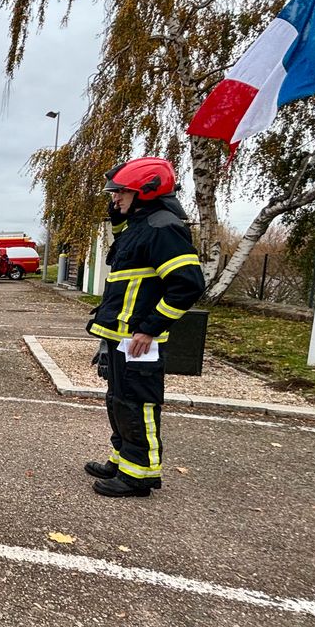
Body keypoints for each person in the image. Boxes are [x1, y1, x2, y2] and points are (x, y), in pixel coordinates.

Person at [86, 157, 206, 498]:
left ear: (144, 191)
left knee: (139, 402)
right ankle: (123, 459)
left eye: (120, 193)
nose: (115, 199)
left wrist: (150, 328)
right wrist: (117, 216)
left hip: (140, 339)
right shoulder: (140, 225)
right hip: (122, 335)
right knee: (119, 401)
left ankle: (140, 475)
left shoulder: (162, 227)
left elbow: (188, 284)